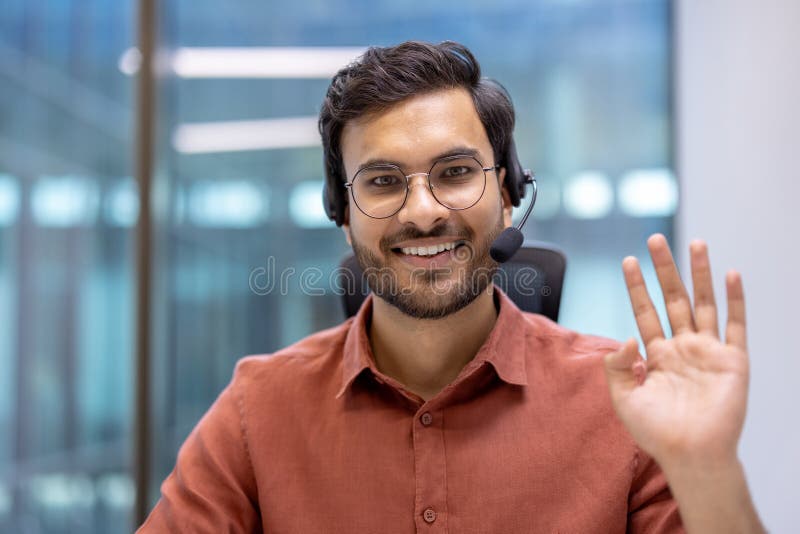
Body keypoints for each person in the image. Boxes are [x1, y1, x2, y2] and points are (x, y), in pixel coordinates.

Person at [138, 41, 765, 533]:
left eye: (456, 172)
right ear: (341, 210)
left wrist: (709, 471)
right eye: (382, 181)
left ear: (511, 192)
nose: (422, 212)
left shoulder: (626, 405)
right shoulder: (259, 408)